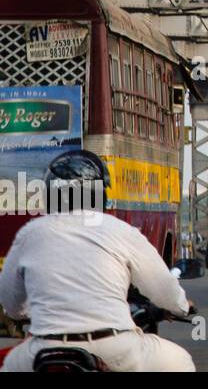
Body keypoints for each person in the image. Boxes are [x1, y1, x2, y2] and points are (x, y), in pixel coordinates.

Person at [0, 150, 195, 372]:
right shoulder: (120, 230)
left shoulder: (30, 233)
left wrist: (32, 311)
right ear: (99, 194)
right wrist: (181, 307)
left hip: (45, 349)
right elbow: (163, 289)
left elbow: (11, 303)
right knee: (181, 362)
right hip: (114, 347)